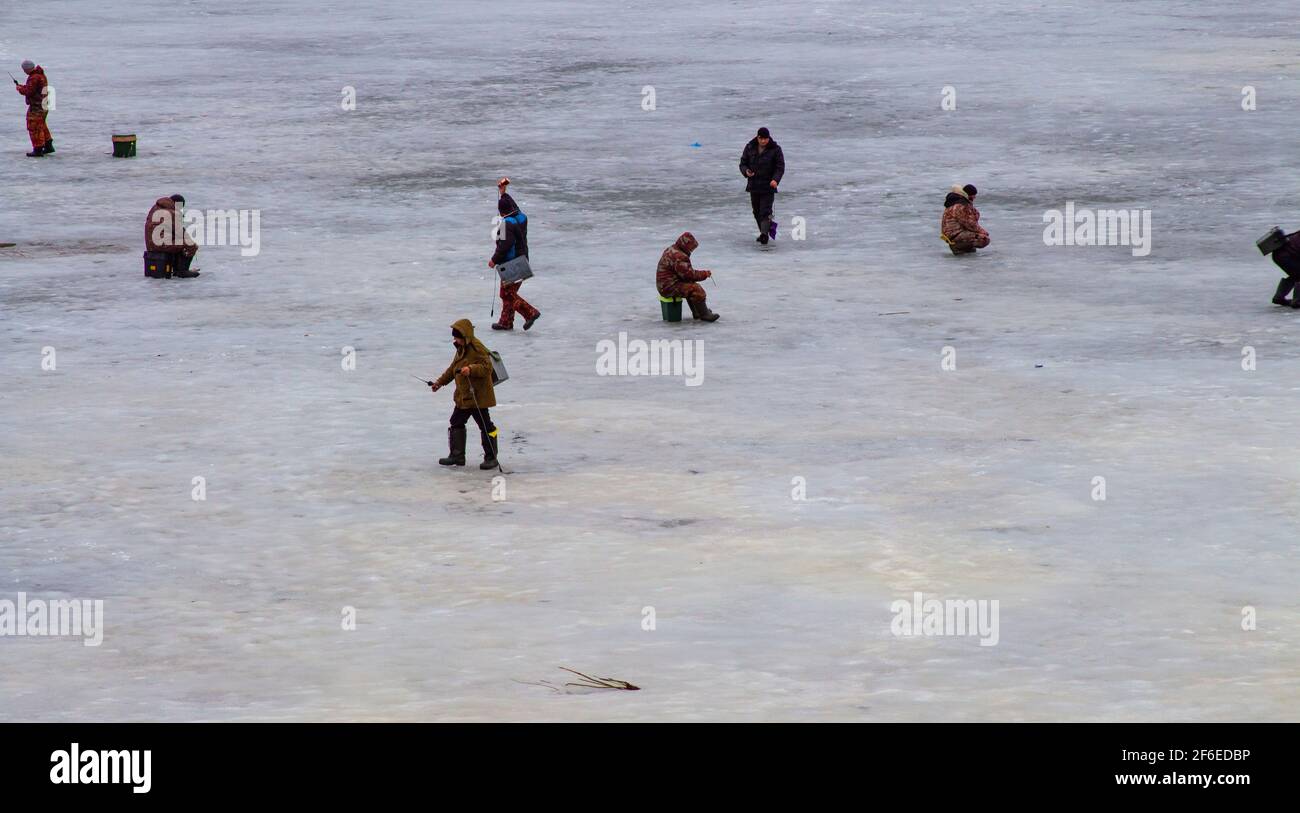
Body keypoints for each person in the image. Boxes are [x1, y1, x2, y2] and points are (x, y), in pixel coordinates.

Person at [429, 319, 500, 469]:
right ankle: (457, 456)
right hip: (464, 396)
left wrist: (471, 369)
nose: (455, 340)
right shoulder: (461, 348)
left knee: (486, 426)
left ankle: (491, 458)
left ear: (464, 336)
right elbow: (453, 368)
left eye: (457, 337)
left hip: (477, 396)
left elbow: (487, 368)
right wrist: (439, 383)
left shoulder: (477, 347)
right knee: (456, 421)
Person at [488, 194, 540, 331]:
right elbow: (515, 207)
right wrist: (504, 193)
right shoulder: (521, 217)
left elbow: (505, 245)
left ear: (501, 212)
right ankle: (506, 322)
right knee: (509, 292)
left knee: (506, 294)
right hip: (522, 260)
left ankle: (530, 312)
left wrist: (494, 260)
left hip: (511, 264)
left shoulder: (507, 224)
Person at [657, 232, 719, 322]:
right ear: (686, 245)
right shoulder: (680, 256)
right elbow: (690, 275)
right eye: (691, 248)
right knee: (696, 288)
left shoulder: (672, 249)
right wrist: (705, 274)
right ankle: (704, 314)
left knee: (689, 285)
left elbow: (684, 275)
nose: (691, 250)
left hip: (663, 285)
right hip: (668, 287)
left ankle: (698, 312)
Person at [738, 127, 784, 245]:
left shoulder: (775, 149)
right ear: (757, 137)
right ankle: (764, 232)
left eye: (766, 139)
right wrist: (746, 171)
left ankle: (764, 235)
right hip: (754, 185)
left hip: (768, 186)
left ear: (769, 138)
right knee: (756, 211)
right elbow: (743, 163)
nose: (763, 141)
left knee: (765, 211)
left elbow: (780, 167)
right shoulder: (750, 147)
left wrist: (775, 180)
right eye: (761, 138)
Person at [145, 194, 200, 278]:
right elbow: (181, 233)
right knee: (189, 244)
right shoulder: (172, 213)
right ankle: (182, 271)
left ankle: (176, 269)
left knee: (176, 242)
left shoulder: (155, 208)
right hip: (161, 245)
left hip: (150, 245)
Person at [13, 60, 53, 157]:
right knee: (41, 125)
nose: (24, 71)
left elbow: (29, 91)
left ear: (27, 69)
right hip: (44, 104)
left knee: (34, 127)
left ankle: (38, 149)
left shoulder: (34, 77)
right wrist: (23, 86)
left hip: (37, 106)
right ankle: (48, 146)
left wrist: (20, 89)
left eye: (24, 69)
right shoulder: (40, 75)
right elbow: (34, 88)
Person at [941, 184, 990, 255]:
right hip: (954, 234)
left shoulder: (955, 202)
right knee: (984, 239)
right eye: (973, 195)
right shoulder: (961, 206)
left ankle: (966, 248)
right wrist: (982, 231)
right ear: (969, 195)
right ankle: (958, 246)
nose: (975, 197)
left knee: (977, 235)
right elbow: (969, 223)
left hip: (952, 233)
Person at [1269, 230, 1300, 308]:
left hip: (1278, 254)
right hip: (1286, 256)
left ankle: (1279, 298)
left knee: (1295, 274)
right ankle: (1297, 301)